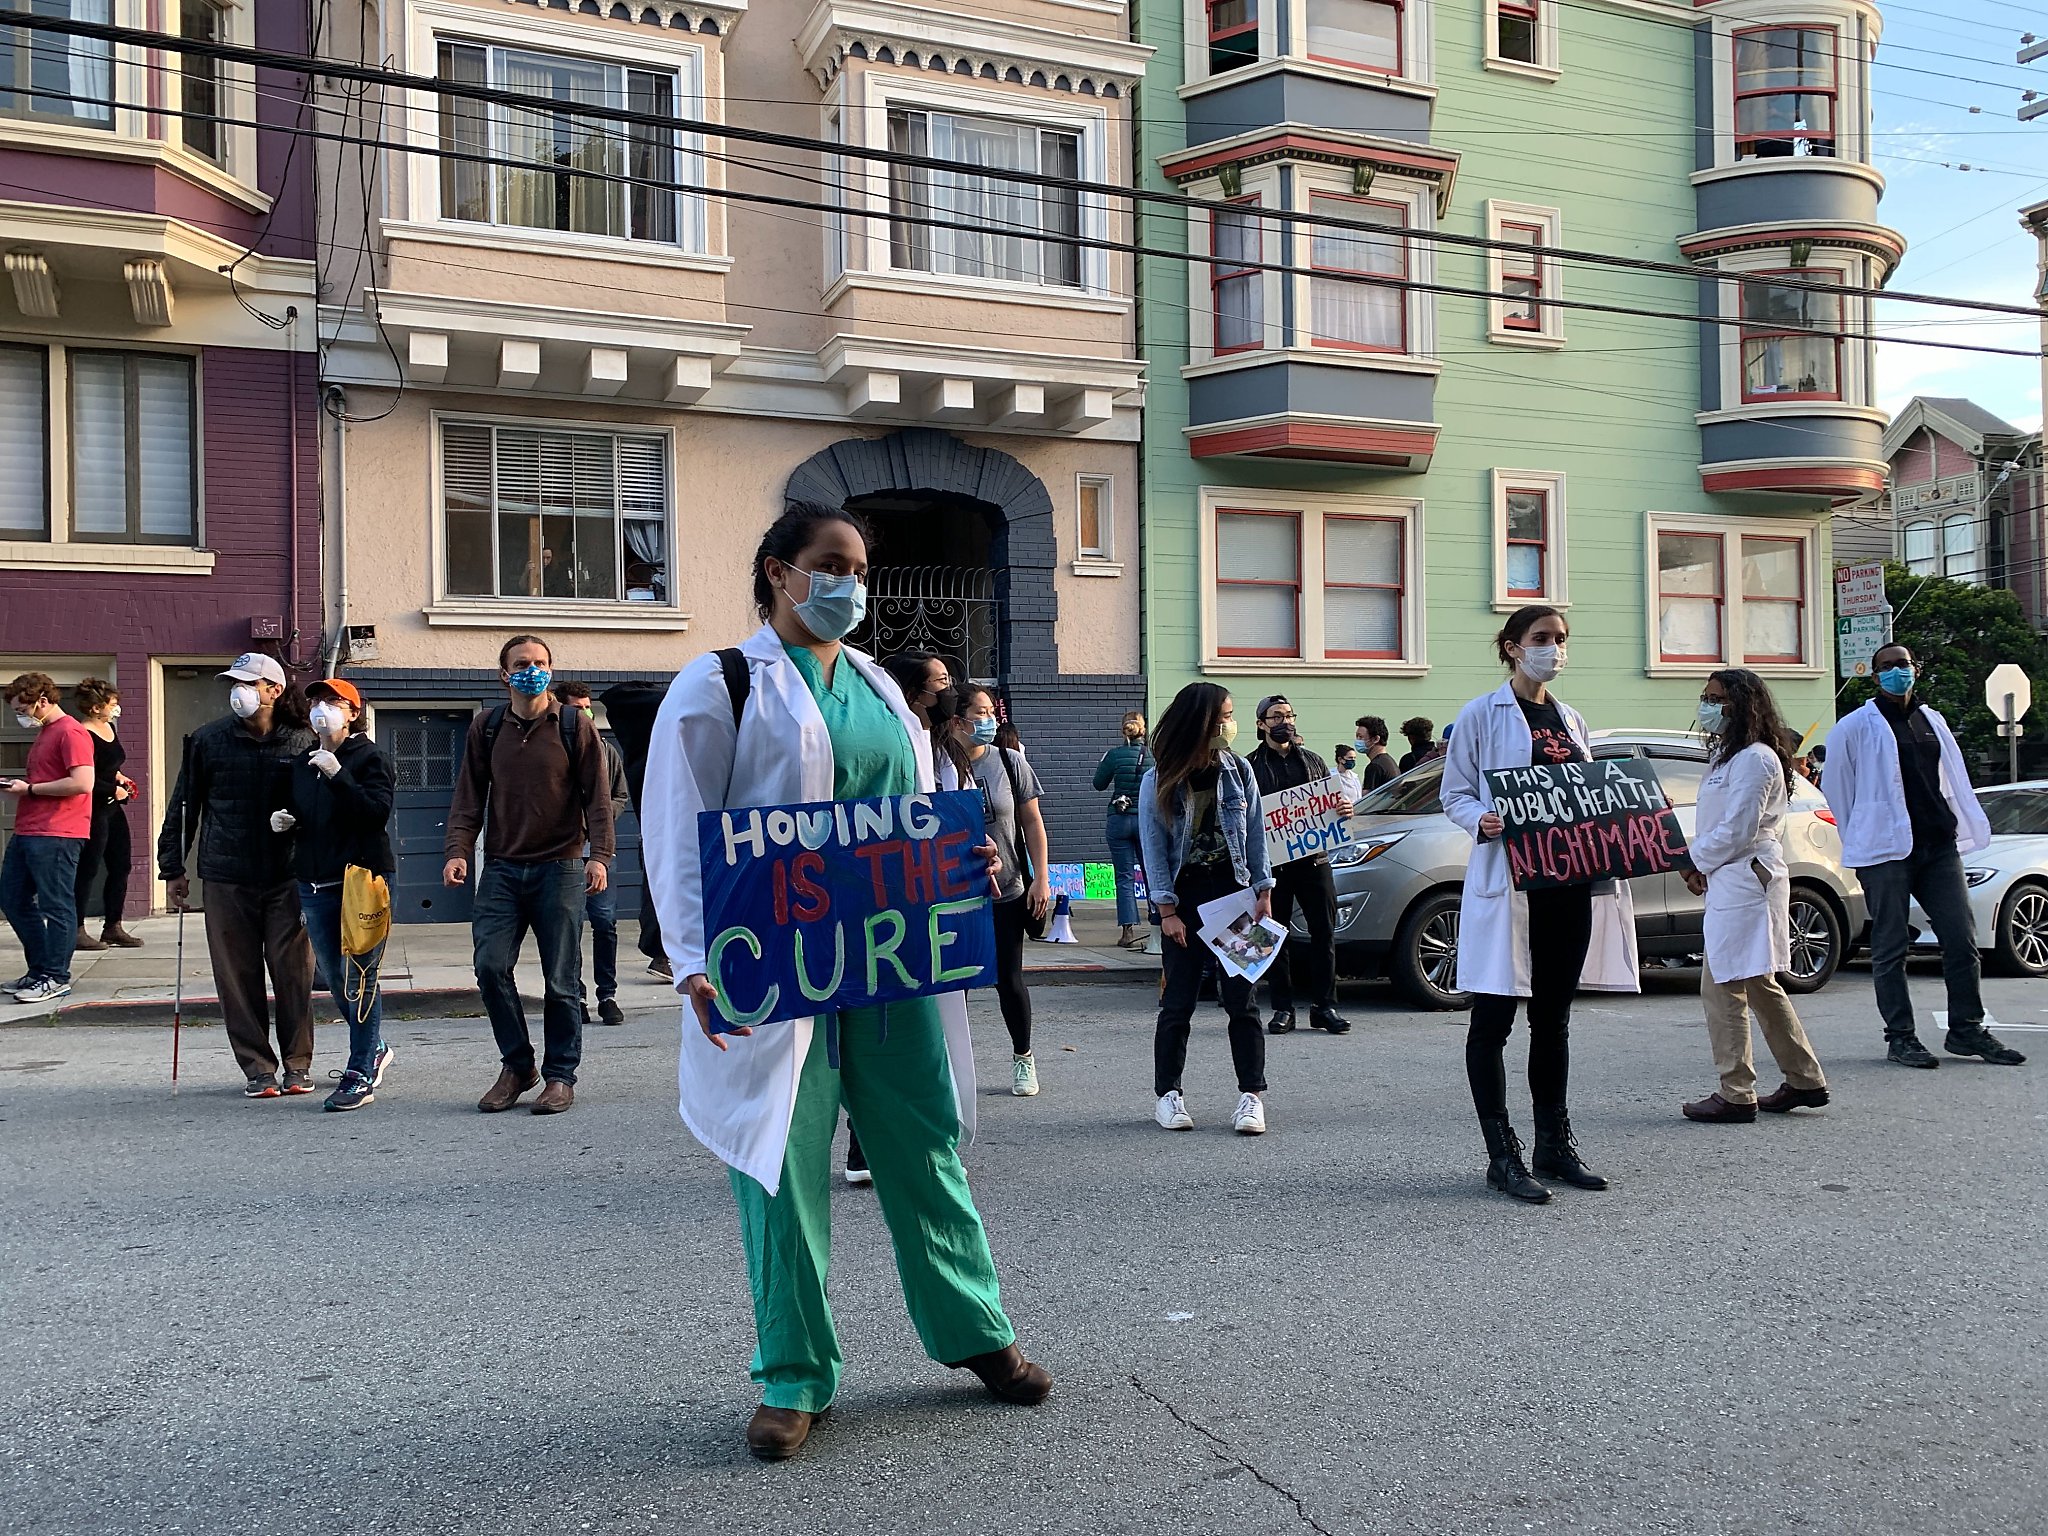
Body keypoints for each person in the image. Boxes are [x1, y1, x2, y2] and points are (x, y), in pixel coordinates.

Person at [642, 500, 1046, 1462]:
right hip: (778, 971)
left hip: (891, 963)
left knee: (923, 1145)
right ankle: (793, 1375)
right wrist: (694, 961)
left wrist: (966, 869)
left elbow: (918, 812)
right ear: (779, 571)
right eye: (831, 564)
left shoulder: (880, 686)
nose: (850, 585)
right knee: (783, 1165)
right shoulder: (719, 687)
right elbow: (678, 830)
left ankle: (976, 1331)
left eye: (860, 568)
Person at [1442, 606, 1638, 1204]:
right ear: (1511, 647)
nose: (1553, 649)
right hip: (1511, 884)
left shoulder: (1571, 719)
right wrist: (1483, 818)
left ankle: (1554, 1143)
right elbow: (1454, 793)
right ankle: (1502, 1155)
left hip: (1568, 886)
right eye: (1540, 639)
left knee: (1553, 1020)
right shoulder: (1480, 715)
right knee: (1494, 1021)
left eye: (1560, 639)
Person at [1823, 642, 2024, 1069]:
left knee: (1961, 940)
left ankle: (1966, 1030)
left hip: (1937, 845)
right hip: (1885, 850)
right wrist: (1861, 840)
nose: (1899, 672)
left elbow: (1950, 778)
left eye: (1905, 665)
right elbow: (1839, 792)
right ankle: (1901, 1037)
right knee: (1891, 945)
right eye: (1888, 667)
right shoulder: (1854, 726)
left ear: (1916, 669)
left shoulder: (1932, 720)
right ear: (1874, 676)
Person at [444, 635, 616, 1116]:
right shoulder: (488, 726)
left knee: (561, 980)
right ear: (504, 674)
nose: (532, 670)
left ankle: (560, 1076)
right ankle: (518, 1065)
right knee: (490, 966)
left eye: (540, 663)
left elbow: (598, 801)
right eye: (522, 664)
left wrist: (598, 856)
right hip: (501, 868)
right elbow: (468, 797)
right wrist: (458, 850)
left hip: (559, 867)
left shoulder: (573, 725)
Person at [156, 654, 319, 1094]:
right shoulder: (208, 740)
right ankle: (258, 1068)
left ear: (275, 691)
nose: (238, 691)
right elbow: (185, 806)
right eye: (233, 682)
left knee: (294, 973)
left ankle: (298, 1063)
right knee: (236, 975)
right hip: (226, 875)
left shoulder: (304, 742)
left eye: (249, 683)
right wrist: (172, 868)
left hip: (287, 875)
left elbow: (323, 809)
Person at [1679, 671, 1830, 1123]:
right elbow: (1719, 824)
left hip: (1747, 879)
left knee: (1723, 984)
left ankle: (1736, 1091)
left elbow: (1739, 828)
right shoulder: (1730, 758)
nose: (1707, 707)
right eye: (1704, 697)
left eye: (1716, 699)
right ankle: (1804, 1078)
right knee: (1759, 983)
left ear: (1743, 704)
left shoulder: (1756, 760)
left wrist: (1695, 861)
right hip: (1735, 877)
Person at [1139, 682, 1274, 1136]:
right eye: (1223, 716)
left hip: (1233, 892)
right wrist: (1166, 909)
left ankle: (1250, 1096)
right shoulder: (1159, 776)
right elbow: (1153, 847)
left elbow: (1255, 831)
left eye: (1231, 716)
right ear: (1200, 721)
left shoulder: (1238, 771)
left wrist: (1263, 889)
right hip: (1186, 896)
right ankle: (1168, 1095)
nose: (1229, 726)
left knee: (1243, 1000)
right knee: (1178, 1002)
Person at [269, 679, 396, 1112]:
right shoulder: (304, 761)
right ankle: (374, 1046)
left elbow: (374, 813)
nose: (322, 709)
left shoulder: (370, 757)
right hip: (314, 881)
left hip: (360, 880)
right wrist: (287, 820)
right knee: (337, 978)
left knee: (360, 978)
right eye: (317, 702)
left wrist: (338, 775)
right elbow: (309, 814)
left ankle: (360, 1070)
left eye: (333, 702)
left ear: (353, 713)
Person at [947, 684, 1052, 1097]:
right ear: (957, 721)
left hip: (1006, 888)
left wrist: (1040, 877)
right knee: (957, 986)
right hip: (953, 894)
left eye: (992, 712)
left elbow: (1032, 822)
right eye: (980, 713)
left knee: (1009, 980)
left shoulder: (1008, 762)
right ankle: (955, 1069)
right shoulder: (935, 764)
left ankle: (1023, 1058)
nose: (989, 721)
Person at [1246, 695, 1352, 1037]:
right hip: (1273, 866)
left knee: (1324, 932)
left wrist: (1343, 809)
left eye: (1289, 715)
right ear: (1262, 724)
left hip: (1313, 860)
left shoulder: (1314, 761)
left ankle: (1325, 1006)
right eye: (1277, 716)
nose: (1285, 722)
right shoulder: (1249, 766)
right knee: (1274, 935)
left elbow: (1331, 802)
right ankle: (1282, 1008)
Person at [2, 673, 96, 1005]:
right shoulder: (47, 732)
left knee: (57, 905)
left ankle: (56, 976)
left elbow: (83, 782)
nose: (20, 715)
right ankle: (40, 969)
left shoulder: (71, 732)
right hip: (29, 830)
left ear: (42, 700)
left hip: (58, 832)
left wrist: (29, 790)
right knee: (12, 898)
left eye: (22, 708)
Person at [554, 680, 632, 1029]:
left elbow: (620, 795)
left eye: (589, 706)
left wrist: (596, 818)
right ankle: (577, 995)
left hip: (599, 851)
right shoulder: (552, 746)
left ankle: (607, 995)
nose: (586, 712)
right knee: (568, 928)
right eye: (578, 706)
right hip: (564, 854)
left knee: (604, 923)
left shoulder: (605, 750)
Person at [69, 678, 142, 952]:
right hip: (93, 809)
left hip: (113, 808)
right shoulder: (83, 734)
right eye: (113, 704)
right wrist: (112, 788)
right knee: (87, 869)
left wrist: (120, 777)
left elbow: (109, 765)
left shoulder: (108, 727)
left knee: (121, 865)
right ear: (97, 707)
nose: (117, 708)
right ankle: (76, 928)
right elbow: (83, 777)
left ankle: (113, 925)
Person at [1093, 710, 1150, 948]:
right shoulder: (1153, 756)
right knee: (1151, 874)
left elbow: (1098, 784)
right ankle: (1157, 924)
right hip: (1146, 821)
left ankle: (1127, 932)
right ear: (1143, 729)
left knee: (1124, 877)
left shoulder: (1114, 755)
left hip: (1119, 818)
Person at [1354, 716, 1400, 790]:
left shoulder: (1375, 767)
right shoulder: (1387, 761)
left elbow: (1367, 799)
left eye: (1360, 737)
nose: (1357, 740)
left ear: (1375, 739)